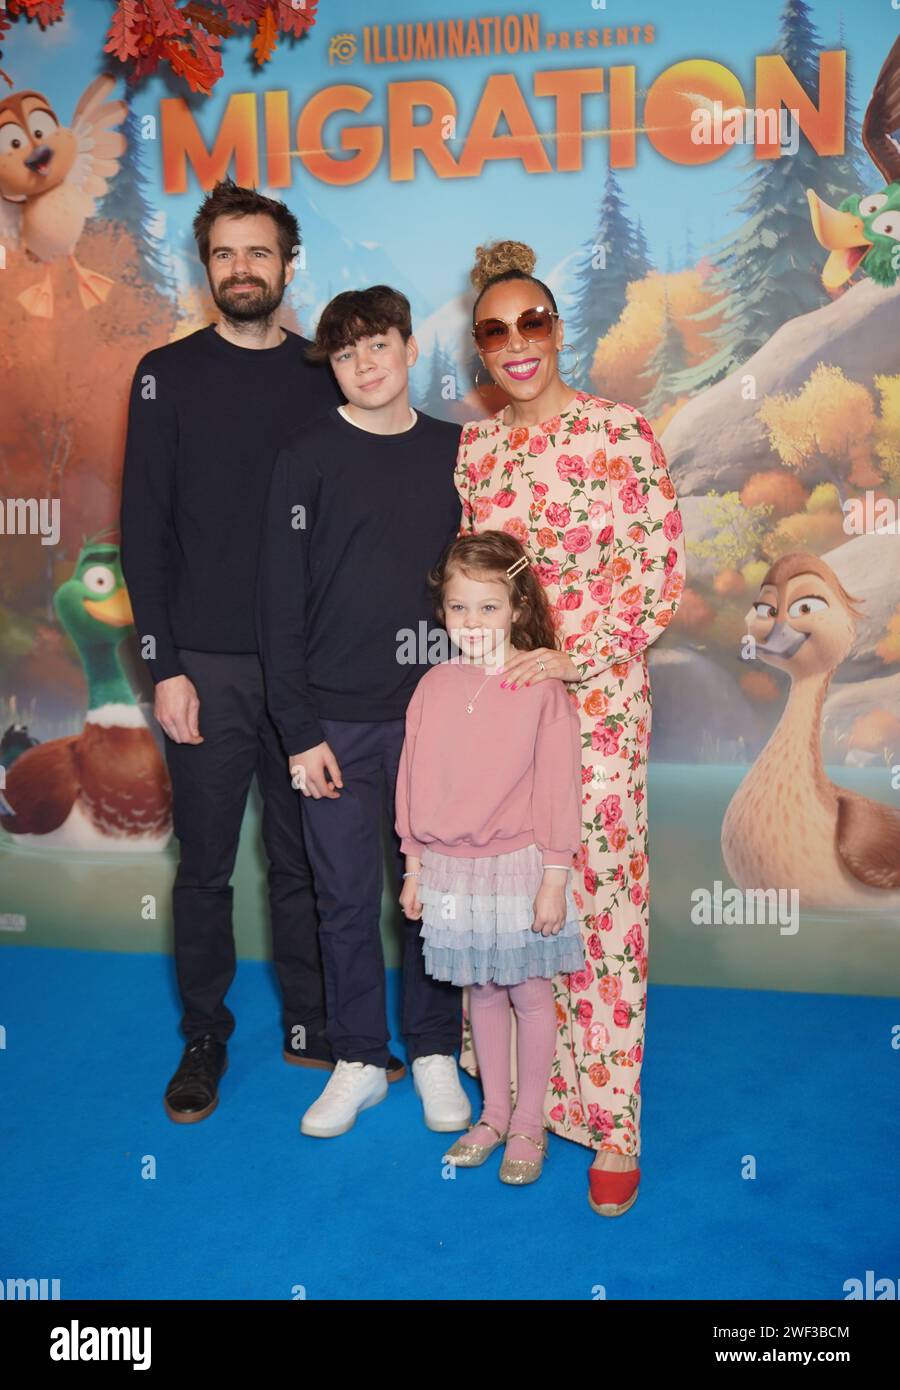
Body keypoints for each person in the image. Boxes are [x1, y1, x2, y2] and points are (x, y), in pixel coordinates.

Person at [455, 239, 686, 1214]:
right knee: (516, 902)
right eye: (494, 330)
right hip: (508, 706)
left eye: (533, 322)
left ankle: (614, 1118)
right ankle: (528, 1101)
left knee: (599, 908)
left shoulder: (622, 432)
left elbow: (660, 574)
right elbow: (474, 581)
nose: (516, 343)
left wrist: (574, 653)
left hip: (599, 703)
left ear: (558, 328)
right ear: (479, 347)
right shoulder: (477, 450)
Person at [120, 178, 347, 1124]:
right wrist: (164, 665)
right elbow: (143, 526)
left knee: (300, 861)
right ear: (205, 265)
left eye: (259, 252)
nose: (242, 268)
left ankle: (310, 1026)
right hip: (203, 669)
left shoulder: (321, 374)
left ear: (289, 266)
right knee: (207, 863)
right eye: (224, 253)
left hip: (301, 668)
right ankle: (205, 1035)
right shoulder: (164, 373)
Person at [256, 284, 471, 1139]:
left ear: (410, 347)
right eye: (345, 354)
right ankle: (357, 1057)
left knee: (436, 896)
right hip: (336, 726)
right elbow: (276, 606)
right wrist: (300, 731)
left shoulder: (459, 454)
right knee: (345, 898)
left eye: (378, 345)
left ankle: (432, 1051)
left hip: (439, 720)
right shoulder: (305, 457)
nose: (364, 365)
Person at [396, 532, 584, 1184]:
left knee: (529, 992)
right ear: (441, 612)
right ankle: (494, 1114)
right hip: (449, 869)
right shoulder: (433, 686)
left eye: (488, 608)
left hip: (520, 866)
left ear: (517, 608)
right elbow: (412, 781)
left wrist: (553, 879)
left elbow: (560, 787)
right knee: (480, 986)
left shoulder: (538, 687)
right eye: (458, 609)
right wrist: (414, 865)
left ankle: (530, 1123)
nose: (472, 623)